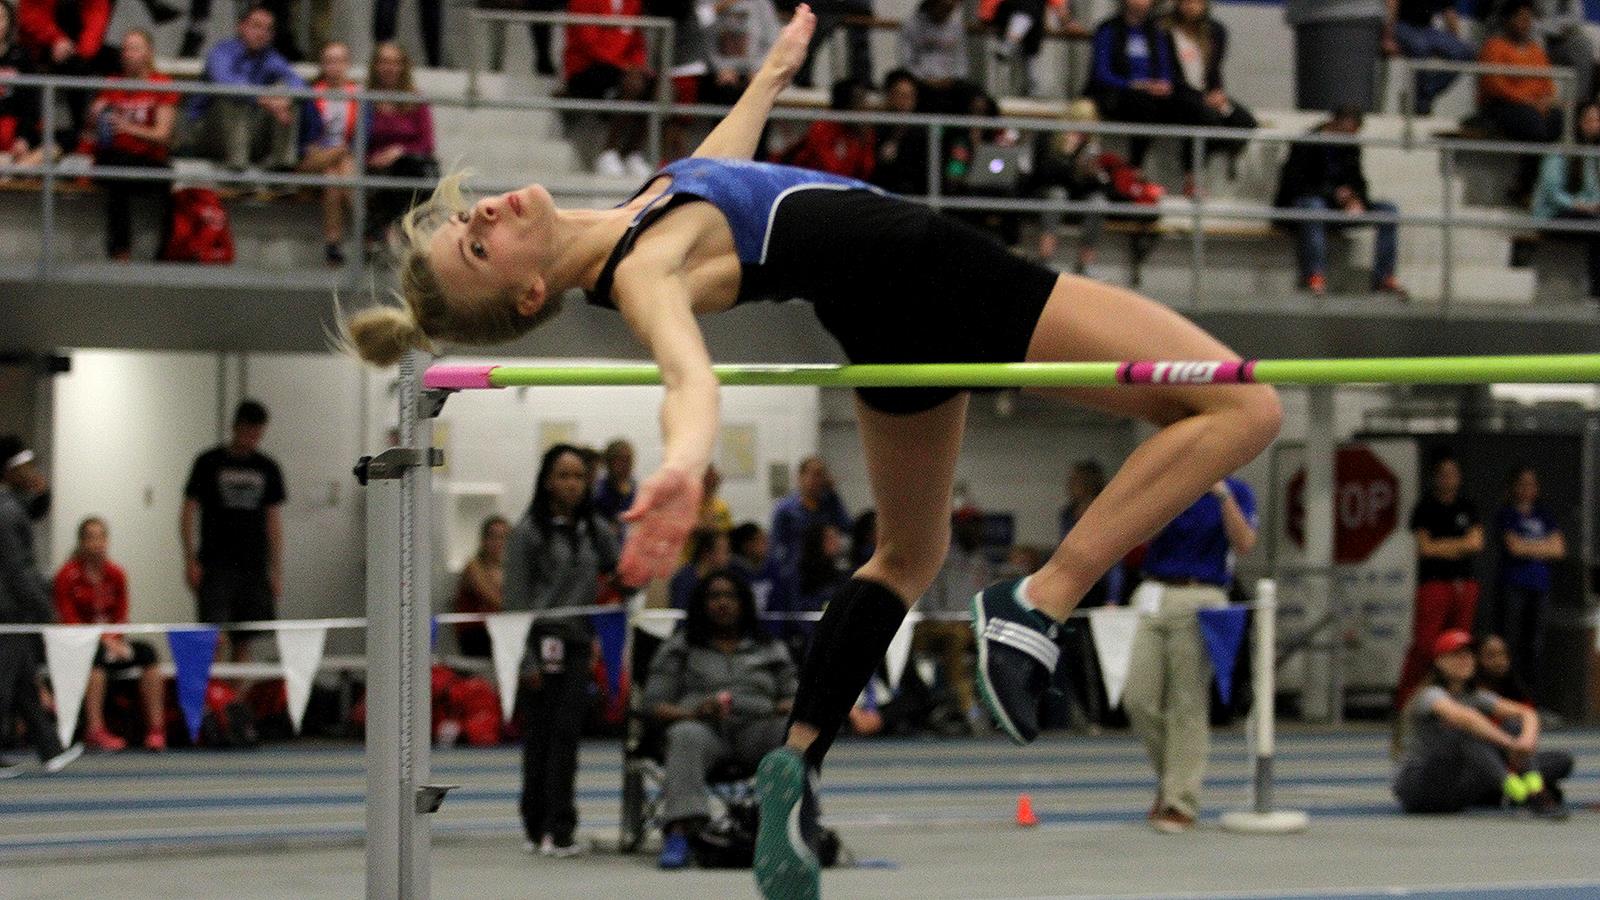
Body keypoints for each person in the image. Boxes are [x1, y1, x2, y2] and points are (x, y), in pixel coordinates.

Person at [337, 8, 1283, 895]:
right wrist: (683, 465)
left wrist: (775, 74)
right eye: (478, 246)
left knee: (908, 557)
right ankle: (1046, 598)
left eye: (466, 220)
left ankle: (795, 760)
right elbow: (687, 377)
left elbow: (725, 168)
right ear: (532, 291)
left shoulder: (643, 214)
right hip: (928, 268)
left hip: (879, 318)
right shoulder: (643, 271)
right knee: (1244, 406)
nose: (483, 217)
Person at [504, 443, 622, 857]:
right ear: (547, 481)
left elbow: (621, 571)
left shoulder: (594, 529)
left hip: (577, 643)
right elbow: (515, 602)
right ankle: (537, 826)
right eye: (563, 476)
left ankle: (563, 825)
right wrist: (525, 660)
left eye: (579, 476)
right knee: (540, 735)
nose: (572, 484)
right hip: (539, 640)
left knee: (568, 735)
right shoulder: (527, 533)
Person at [1124, 474, 1257, 833]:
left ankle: (1180, 800)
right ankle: (1173, 782)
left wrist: (1222, 496)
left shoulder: (1238, 490)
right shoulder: (1166, 483)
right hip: (1153, 593)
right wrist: (1170, 495)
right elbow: (1137, 538)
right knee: (1137, 697)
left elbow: (1244, 543)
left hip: (1201, 596)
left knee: (1188, 703)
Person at [645, 570, 796, 869]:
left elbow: (796, 697)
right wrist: (694, 712)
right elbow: (653, 704)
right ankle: (680, 833)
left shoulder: (770, 648)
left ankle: (789, 830)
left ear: (744, 603)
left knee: (792, 733)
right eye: (714, 597)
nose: (723, 603)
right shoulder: (680, 647)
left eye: (731, 596)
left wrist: (784, 708)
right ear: (701, 604)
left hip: (758, 728)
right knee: (685, 735)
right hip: (704, 730)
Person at [1392, 629, 1570, 818]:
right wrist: (1510, 744)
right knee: (1466, 733)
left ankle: (1534, 789)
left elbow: (1527, 713)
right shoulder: (1430, 695)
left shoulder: (1476, 696)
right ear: (1439, 662)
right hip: (1421, 787)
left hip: (1458, 785)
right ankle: (1519, 793)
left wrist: (1526, 741)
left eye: (1468, 654)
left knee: (1549, 753)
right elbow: (1465, 718)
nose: (1465, 660)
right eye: (1456, 655)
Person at [180, 400, 286, 665]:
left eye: (257, 435)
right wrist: (190, 558)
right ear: (235, 428)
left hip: (252, 563)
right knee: (214, 635)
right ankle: (215, 698)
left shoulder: (267, 468)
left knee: (245, 638)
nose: (252, 440)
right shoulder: (208, 462)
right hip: (216, 562)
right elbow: (188, 511)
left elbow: (273, 521)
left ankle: (235, 701)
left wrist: (275, 569)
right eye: (248, 432)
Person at [0, 435, 82, 775]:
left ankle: (51, 749)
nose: (33, 472)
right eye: (26, 466)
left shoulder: (11, 506)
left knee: (21, 681)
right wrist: (45, 609)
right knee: (5, 681)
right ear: (10, 469)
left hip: (14, 608)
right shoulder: (5, 511)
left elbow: (32, 512)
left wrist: (43, 493)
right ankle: (50, 747)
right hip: (8, 609)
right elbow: (18, 568)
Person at [53, 517, 165, 752]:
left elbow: (122, 615)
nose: (97, 543)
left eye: (101, 537)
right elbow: (68, 619)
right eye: (91, 538)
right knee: (97, 655)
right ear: (82, 542)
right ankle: (95, 728)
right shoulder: (67, 575)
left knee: (148, 653)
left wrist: (115, 639)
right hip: (81, 645)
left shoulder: (116, 574)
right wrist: (104, 641)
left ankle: (156, 728)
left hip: (114, 642)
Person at [1273, 106, 1408, 299]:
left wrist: (1355, 200)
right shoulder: (1307, 143)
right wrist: (1334, 195)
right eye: (1345, 132)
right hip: (1309, 204)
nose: (1349, 137)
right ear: (1333, 124)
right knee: (1314, 207)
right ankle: (1315, 276)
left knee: (1388, 210)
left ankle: (1384, 278)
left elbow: (1358, 182)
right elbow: (1295, 185)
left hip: (1340, 208)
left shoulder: (1350, 147)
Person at [1395, 453, 1482, 716]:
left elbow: (1476, 543)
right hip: (1434, 584)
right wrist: (1459, 546)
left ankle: (1459, 701)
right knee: (1425, 645)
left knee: (1461, 645)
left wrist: (1444, 546)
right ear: (1435, 478)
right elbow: (1426, 549)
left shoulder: (1468, 506)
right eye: (1443, 474)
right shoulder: (1426, 508)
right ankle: (1407, 702)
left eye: (1453, 473)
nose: (1449, 479)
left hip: (1463, 583)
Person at [81, 28, 175, 262]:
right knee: (117, 172)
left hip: (147, 157)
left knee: (170, 182)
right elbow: (93, 128)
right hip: (116, 157)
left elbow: (163, 134)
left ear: (148, 53)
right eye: (125, 49)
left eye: (134, 48)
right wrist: (94, 115)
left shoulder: (162, 84)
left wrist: (126, 127)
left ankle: (168, 252)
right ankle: (120, 251)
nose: (127, 54)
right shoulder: (112, 83)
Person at [187, 6, 305, 172]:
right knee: (235, 95)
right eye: (256, 26)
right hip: (208, 133)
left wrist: (284, 101)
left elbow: (297, 81)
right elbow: (226, 83)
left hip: (248, 134)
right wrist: (266, 101)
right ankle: (237, 171)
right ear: (241, 27)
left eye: (268, 29)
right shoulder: (222, 52)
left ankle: (281, 167)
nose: (262, 33)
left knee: (286, 92)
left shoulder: (271, 56)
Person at [1162, 0, 1256, 194]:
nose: (1191, 6)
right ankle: (1191, 178)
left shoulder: (1215, 31)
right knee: (1203, 116)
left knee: (1245, 121)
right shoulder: (1164, 30)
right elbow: (1168, 73)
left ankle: (1217, 150)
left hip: (1206, 94)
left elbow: (1214, 69)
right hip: (1177, 95)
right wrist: (1201, 97)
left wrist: (1217, 92)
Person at [911, 506, 990, 734]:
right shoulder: (940, 557)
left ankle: (998, 705)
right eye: (969, 525)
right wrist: (950, 622)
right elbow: (929, 601)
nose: (975, 531)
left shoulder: (980, 561)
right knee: (954, 640)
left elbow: (985, 598)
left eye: (978, 525)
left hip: (972, 628)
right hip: (935, 627)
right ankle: (971, 711)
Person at [1477, 0, 1561, 196]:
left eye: (1528, 19)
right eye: (1521, 18)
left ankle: (1545, 187)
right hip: (1502, 105)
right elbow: (1494, 85)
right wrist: (1527, 101)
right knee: (1534, 126)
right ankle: (1525, 185)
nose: (1526, 23)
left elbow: (1547, 85)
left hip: (1533, 107)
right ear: (1508, 20)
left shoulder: (1536, 50)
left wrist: (1545, 101)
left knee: (1558, 120)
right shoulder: (1494, 47)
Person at [564, 0, 656, 178]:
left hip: (620, 68)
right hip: (586, 66)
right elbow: (588, 43)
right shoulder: (582, 2)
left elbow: (637, 43)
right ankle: (608, 151)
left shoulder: (633, 3)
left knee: (655, 84)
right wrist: (625, 66)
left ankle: (631, 152)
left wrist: (636, 66)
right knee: (634, 83)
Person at [1493, 465, 1564, 696]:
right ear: (1513, 486)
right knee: (1510, 641)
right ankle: (1505, 694)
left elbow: (1559, 549)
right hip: (1513, 585)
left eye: (1531, 484)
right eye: (1522, 483)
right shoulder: (1507, 514)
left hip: (1539, 586)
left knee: (1534, 644)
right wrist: (1542, 547)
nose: (1527, 489)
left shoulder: (1543, 514)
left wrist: (1528, 547)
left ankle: (1531, 698)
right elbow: (1514, 547)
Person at [1085, 0, 1179, 169]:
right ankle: (1135, 167)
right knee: (1144, 105)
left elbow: (1166, 69)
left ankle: (1191, 174)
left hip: (1150, 94)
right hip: (1117, 92)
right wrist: (1135, 85)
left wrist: (1163, 84)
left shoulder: (1157, 33)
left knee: (1187, 104)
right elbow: (1101, 73)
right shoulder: (1108, 29)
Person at [364, 42, 438, 249]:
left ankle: (382, 229)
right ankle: (392, 230)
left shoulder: (416, 98)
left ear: (403, 67)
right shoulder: (365, 99)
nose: (390, 68)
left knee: (411, 169)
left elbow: (427, 142)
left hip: (410, 163)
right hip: (375, 164)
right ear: (375, 66)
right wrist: (374, 157)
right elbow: (356, 138)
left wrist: (400, 152)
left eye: (395, 63)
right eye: (384, 62)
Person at [1029, 99, 1109, 274]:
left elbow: (1098, 186)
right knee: (1057, 195)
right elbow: (1041, 175)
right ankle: (1045, 257)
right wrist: (1066, 157)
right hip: (1048, 190)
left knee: (1099, 202)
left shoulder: (1091, 144)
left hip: (1077, 194)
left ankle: (1085, 263)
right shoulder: (1049, 137)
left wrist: (1091, 173)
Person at [16, 0, 119, 137]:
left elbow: (97, 16)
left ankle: (110, 128)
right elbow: (29, 16)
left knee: (119, 60)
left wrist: (82, 52)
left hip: (79, 48)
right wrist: (55, 39)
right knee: (74, 68)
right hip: (41, 45)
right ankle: (77, 131)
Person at [1532, 100, 1600, 301]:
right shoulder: (1560, 151)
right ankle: (1596, 291)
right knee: (1596, 228)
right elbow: (1552, 192)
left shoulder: (1595, 155)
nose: (1596, 125)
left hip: (1586, 213)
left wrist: (1593, 205)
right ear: (1578, 123)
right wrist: (1579, 205)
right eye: (1592, 120)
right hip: (1553, 215)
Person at [302, 42, 359, 266]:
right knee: (336, 169)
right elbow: (307, 135)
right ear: (323, 65)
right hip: (316, 155)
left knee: (336, 178)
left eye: (340, 61)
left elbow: (362, 133)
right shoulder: (313, 95)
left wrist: (342, 151)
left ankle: (333, 243)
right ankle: (368, 229)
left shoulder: (358, 94)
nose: (335, 67)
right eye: (330, 61)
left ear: (347, 64)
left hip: (344, 155)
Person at [769, 455, 850, 586]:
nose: (819, 480)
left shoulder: (829, 504)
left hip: (825, 572)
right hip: (796, 574)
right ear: (801, 477)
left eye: (822, 475)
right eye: (815, 475)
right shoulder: (785, 509)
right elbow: (776, 545)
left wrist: (833, 494)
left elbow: (847, 527)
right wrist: (782, 573)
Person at [1384, 0, 1475, 116]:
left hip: (1427, 29)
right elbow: (1392, 4)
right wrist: (1388, 37)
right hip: (1402, 25)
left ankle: (1425, 93)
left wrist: (1454, 41)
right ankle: (1421, 104)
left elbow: (1449, 11)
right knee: (1421, 48)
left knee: (1464, 52)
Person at [772, 77, 875, 180]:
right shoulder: (822, 128)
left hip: (839, 186)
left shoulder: (863, 130)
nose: (864, 106)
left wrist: (863, 143)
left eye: (864, 100)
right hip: (801, 181)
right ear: (845, 104)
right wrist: (856, 145)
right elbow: (832, 172)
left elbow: (866, 172)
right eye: (859, 101)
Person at [899, 0, 977, 115]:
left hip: (950, 82)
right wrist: (926, 79)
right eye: (943, 7)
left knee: (975, 97)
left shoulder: (956, 28)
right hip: (921, 81)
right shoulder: (912, 25)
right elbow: (907, 60)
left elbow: (961, 61)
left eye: (950, 9)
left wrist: (951, 79)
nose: (946, 12)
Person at [0, 0, 48, 172]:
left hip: (14, 129)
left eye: (1, 18)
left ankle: (19, 169)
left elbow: (31, 102)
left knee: (64, 137)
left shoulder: (22, 56)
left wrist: (24, 137)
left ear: (9, 23)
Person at [453, 515, 509, 658]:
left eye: (504, 537)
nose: (499, 542)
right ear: (483, 540)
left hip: (502, 630)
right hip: (478, 633)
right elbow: (493, 599)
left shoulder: (511, 569)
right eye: (493, 537)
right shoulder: (474, 566)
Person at [669, 526, 732, 609]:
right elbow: (680, 613)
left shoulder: (724, 577)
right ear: (707, 553)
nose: (729, 556)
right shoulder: (685, 579)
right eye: (724, 551)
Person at [1476, 633, 1531, 705]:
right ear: (1477, 658)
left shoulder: (1518, 689)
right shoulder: (1470, 693)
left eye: (1503, 654)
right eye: (1491, 655)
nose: (1499, 661)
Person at [593, 438, 638, 526]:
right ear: (609, 462)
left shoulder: (634, 487)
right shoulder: (598, 493)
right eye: (621, 460)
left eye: (629, 459)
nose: (626, 465)